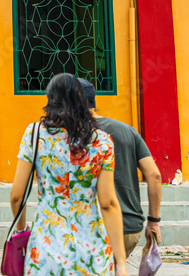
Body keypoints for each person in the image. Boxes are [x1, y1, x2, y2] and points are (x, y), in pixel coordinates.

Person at [10, 72, 127, 276]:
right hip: (92, 251)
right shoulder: (102, 141)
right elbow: (108, 203)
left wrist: (21, 230)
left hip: (46, 249)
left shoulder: (35, 134)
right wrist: (121, 264)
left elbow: (17, 196)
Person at [79, 78, 162, 258]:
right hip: (129, 227)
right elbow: (154, 175)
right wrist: (154, 221)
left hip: (92, 227)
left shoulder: (70, 134)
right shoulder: (127, 130)